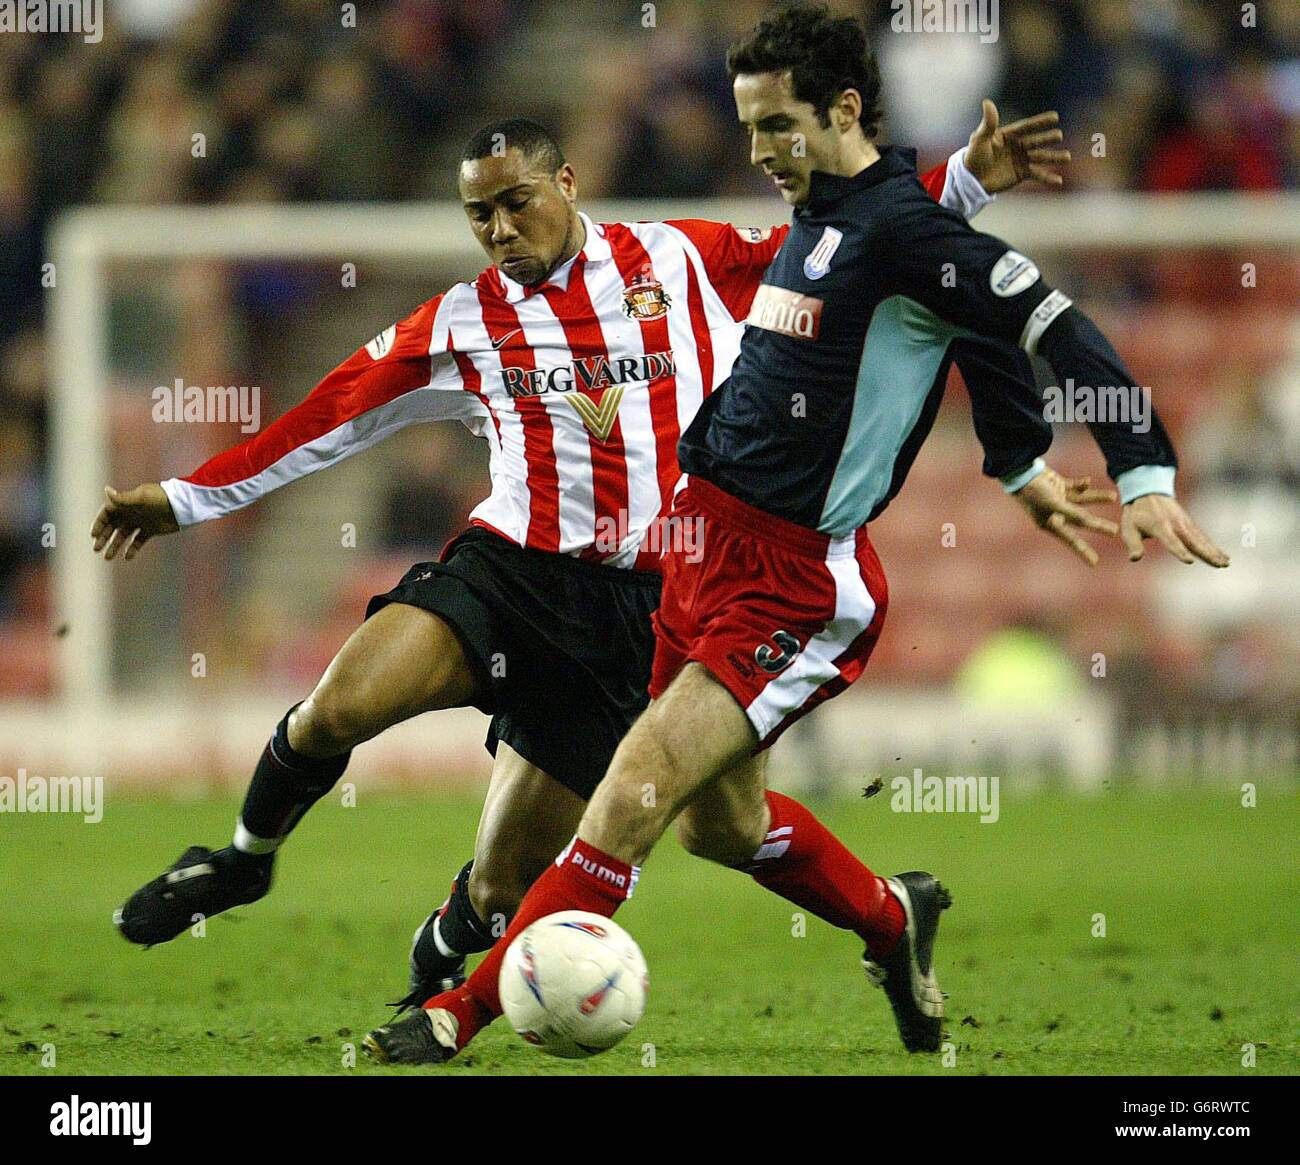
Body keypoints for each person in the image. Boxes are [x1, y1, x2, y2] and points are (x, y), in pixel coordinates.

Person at [370, 3, 1228, 1065]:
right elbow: (966, 332)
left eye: (777, 126)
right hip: (699, 555)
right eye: (747, 129)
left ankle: (460, 1012)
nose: (760, 152)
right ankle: (890, 916)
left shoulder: (905, 233)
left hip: (790, 587)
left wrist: (1138, 467)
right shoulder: (832, 214)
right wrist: (1016, 463)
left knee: (631, 790)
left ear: (844, 110)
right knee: (717, 826)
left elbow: (1047, 325)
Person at [94, 111, 1091, 1010]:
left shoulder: (682, 259)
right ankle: (241, 859)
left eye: (513, 202)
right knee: (340, 705)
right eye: (477, 214)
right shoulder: (463, 319)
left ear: (566, 183)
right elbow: (331, 415)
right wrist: (186, 498)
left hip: (655, 608)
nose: (496, 229)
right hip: (511, 572)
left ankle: (466, 944)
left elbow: (842, 249)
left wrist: (963, 176)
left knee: (549, 872)